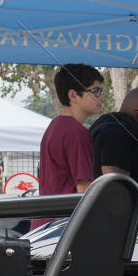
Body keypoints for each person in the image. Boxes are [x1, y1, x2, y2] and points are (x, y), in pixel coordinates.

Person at [39, 64, 105, 195]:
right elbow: (85, 192)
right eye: (96, 91)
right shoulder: (76, 132)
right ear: (73, 95)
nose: (101, 97)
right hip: (71, 214)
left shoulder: (55, 126)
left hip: (51, 213)